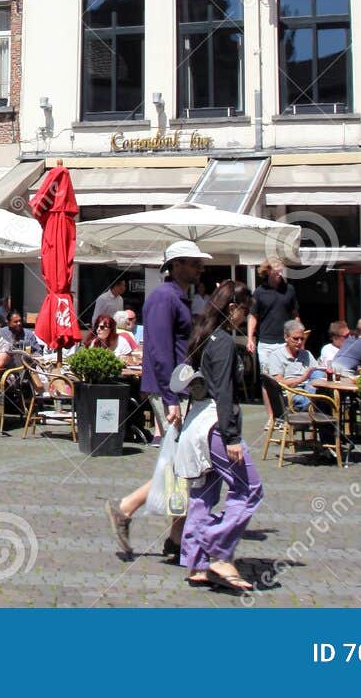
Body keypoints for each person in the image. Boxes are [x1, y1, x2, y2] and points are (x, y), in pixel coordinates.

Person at [106, 239, 209, 560]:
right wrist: (171, 397)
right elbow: (161, 351)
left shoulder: (178, 296)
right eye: (193, 263)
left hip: (178, 388)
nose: (199, 268)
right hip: (171, 391)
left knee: (180, 462)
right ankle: (126, 508)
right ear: (175, 265)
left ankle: (176, 537)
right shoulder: (165, 297)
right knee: (180, 464)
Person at [179, 280, 261, 592]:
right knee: (250, 488)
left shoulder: (202, 337)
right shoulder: (225, 342)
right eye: (246, 310)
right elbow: (225, 392)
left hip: (198, 422)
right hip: (215, 423)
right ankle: (219, 548)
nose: (248, 316)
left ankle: (196, 562)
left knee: (205, 492)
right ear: (232, 309)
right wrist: (232, 437)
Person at [247, 258, 299, 376]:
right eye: (277, 271)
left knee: (286, 376)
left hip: (285, 342)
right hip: (266, 343)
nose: (280, 274)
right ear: (268, 270)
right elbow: (253, 316)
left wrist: (298, 336)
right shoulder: (259, 292)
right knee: (267, 377)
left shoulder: (289, 289)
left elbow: (295, 315)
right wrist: (250, 338)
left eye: (281, 271)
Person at [268, 320, 321, 408]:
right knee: (304, 400)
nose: (299, 342)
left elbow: (317, 373)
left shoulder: (306, 354)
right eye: (296, 339)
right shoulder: (276, 355)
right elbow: (278, 382)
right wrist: (302, 379)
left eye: (302, 339)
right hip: (291, 391)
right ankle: (311, 409)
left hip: (309, 389)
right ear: (286, 337)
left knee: (319, 375)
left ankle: (312, 408)